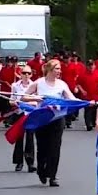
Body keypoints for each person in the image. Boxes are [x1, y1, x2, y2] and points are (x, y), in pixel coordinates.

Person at [22, 59, 83, 187]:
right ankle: (41, 170)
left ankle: (53, 176)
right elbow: (23, 96)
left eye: (60, 69)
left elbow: (71, 98)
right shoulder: (39, 83)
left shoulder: (61, 84)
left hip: (57, 119)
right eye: (57, 69)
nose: (59, 71)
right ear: (49, 70)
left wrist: (85, 102)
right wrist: (37, 98)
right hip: (42, 119)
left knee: (55, 147)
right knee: (42, 146)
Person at [10, 66, 36, 173]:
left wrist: (25, 103)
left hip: (30, 114)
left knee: (30, 138)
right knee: (19, 138)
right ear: (20, 74)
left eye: (28, 73)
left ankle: (30, 163)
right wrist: (14, 103)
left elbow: (36, 101)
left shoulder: (34, 85)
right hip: (19, 113)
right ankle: (19, 162)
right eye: (24, 73)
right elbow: (11, 100)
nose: (26, 75)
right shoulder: (15, 85)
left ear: (31, 75)